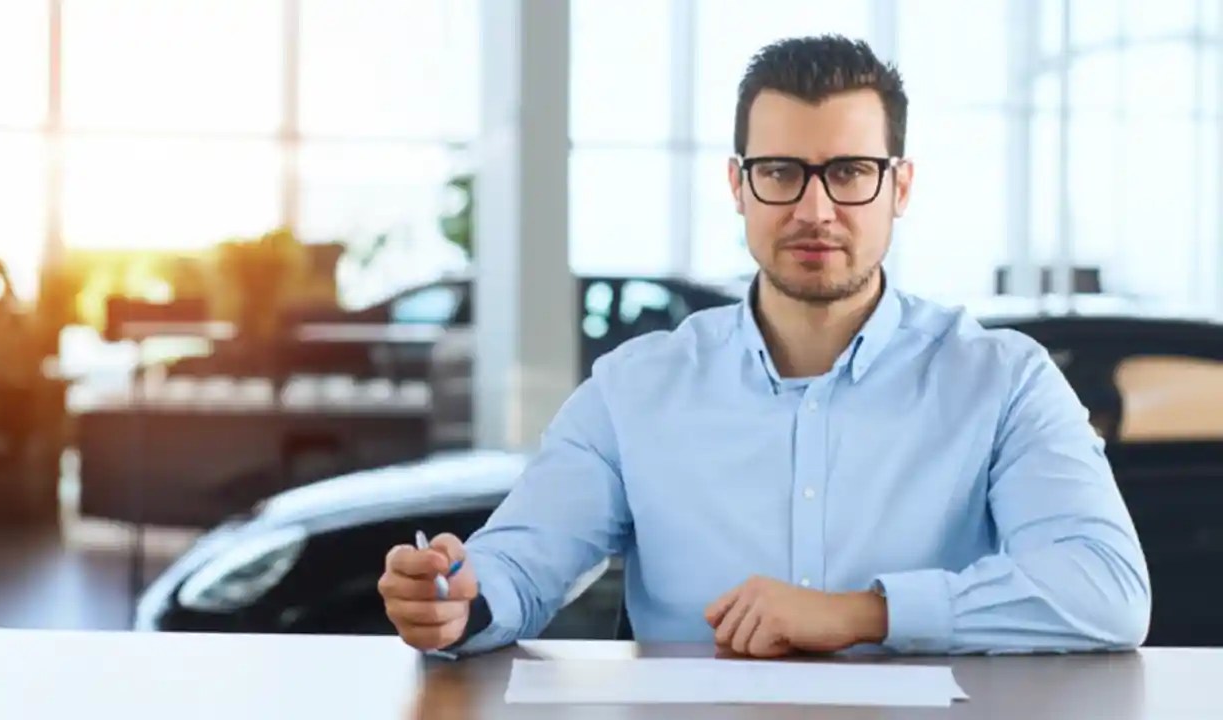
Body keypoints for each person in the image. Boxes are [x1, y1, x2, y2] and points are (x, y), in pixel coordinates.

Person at [377, 34, 1151, 658]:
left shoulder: (1002, 380)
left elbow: (1106, 589)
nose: (816, 209)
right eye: (781, 171)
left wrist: (863, 614)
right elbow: (521, 564)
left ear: (901, 187)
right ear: (739, 185)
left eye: (850, 171)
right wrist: (458, 602)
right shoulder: (637, 388)